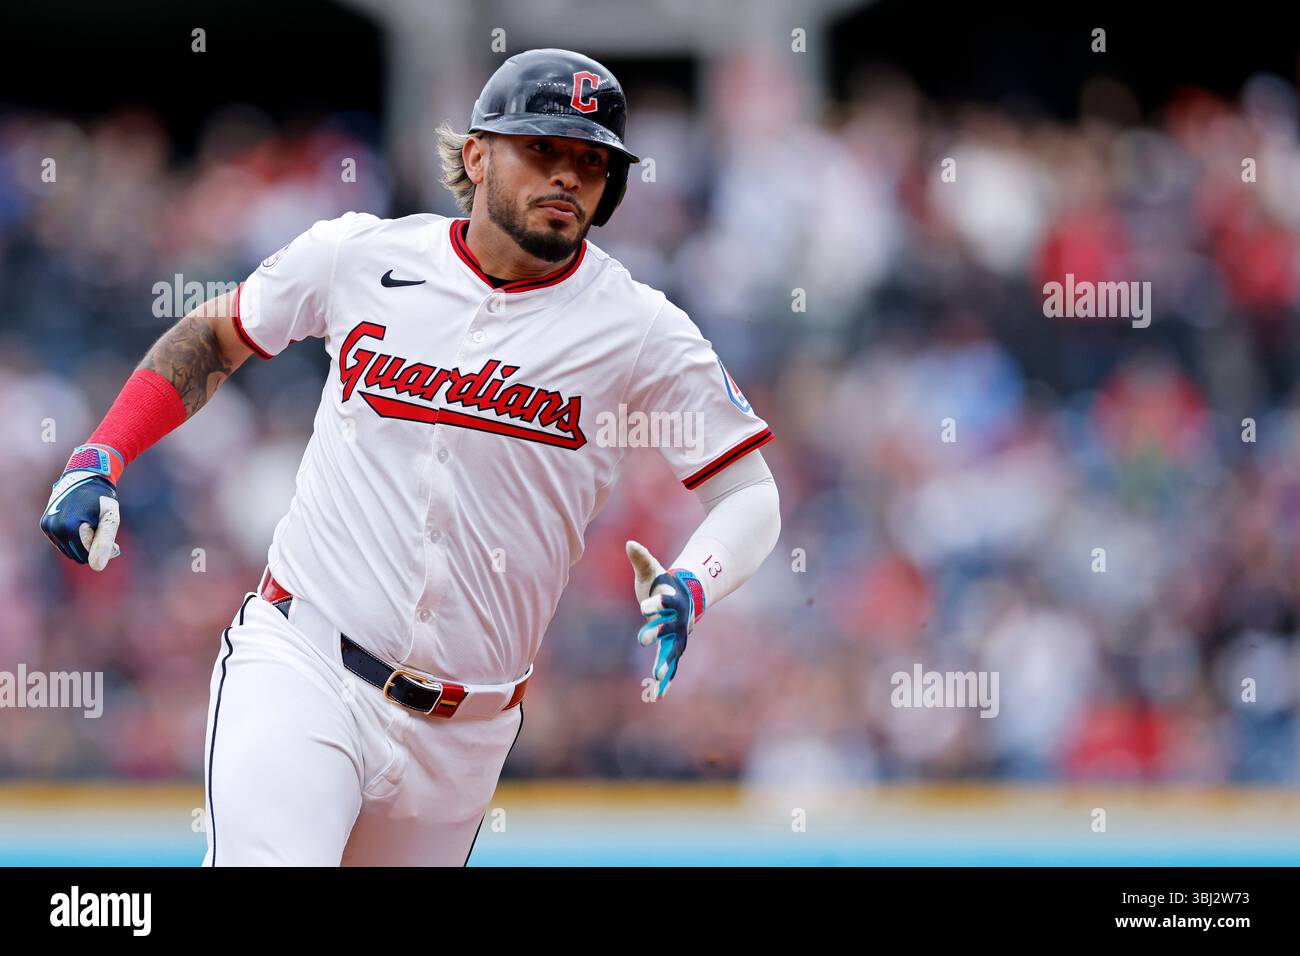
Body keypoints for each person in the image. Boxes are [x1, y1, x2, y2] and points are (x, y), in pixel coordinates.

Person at [39, 48, 781, 866]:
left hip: (466, 735)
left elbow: (748, 495)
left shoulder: (639, 329)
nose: (568, 175)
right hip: (305, 661)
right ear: (475, 154)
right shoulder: (360, 255)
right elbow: (216, 333)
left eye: (591, 161)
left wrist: (693, 582)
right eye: (542, 148)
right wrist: (99, 454)